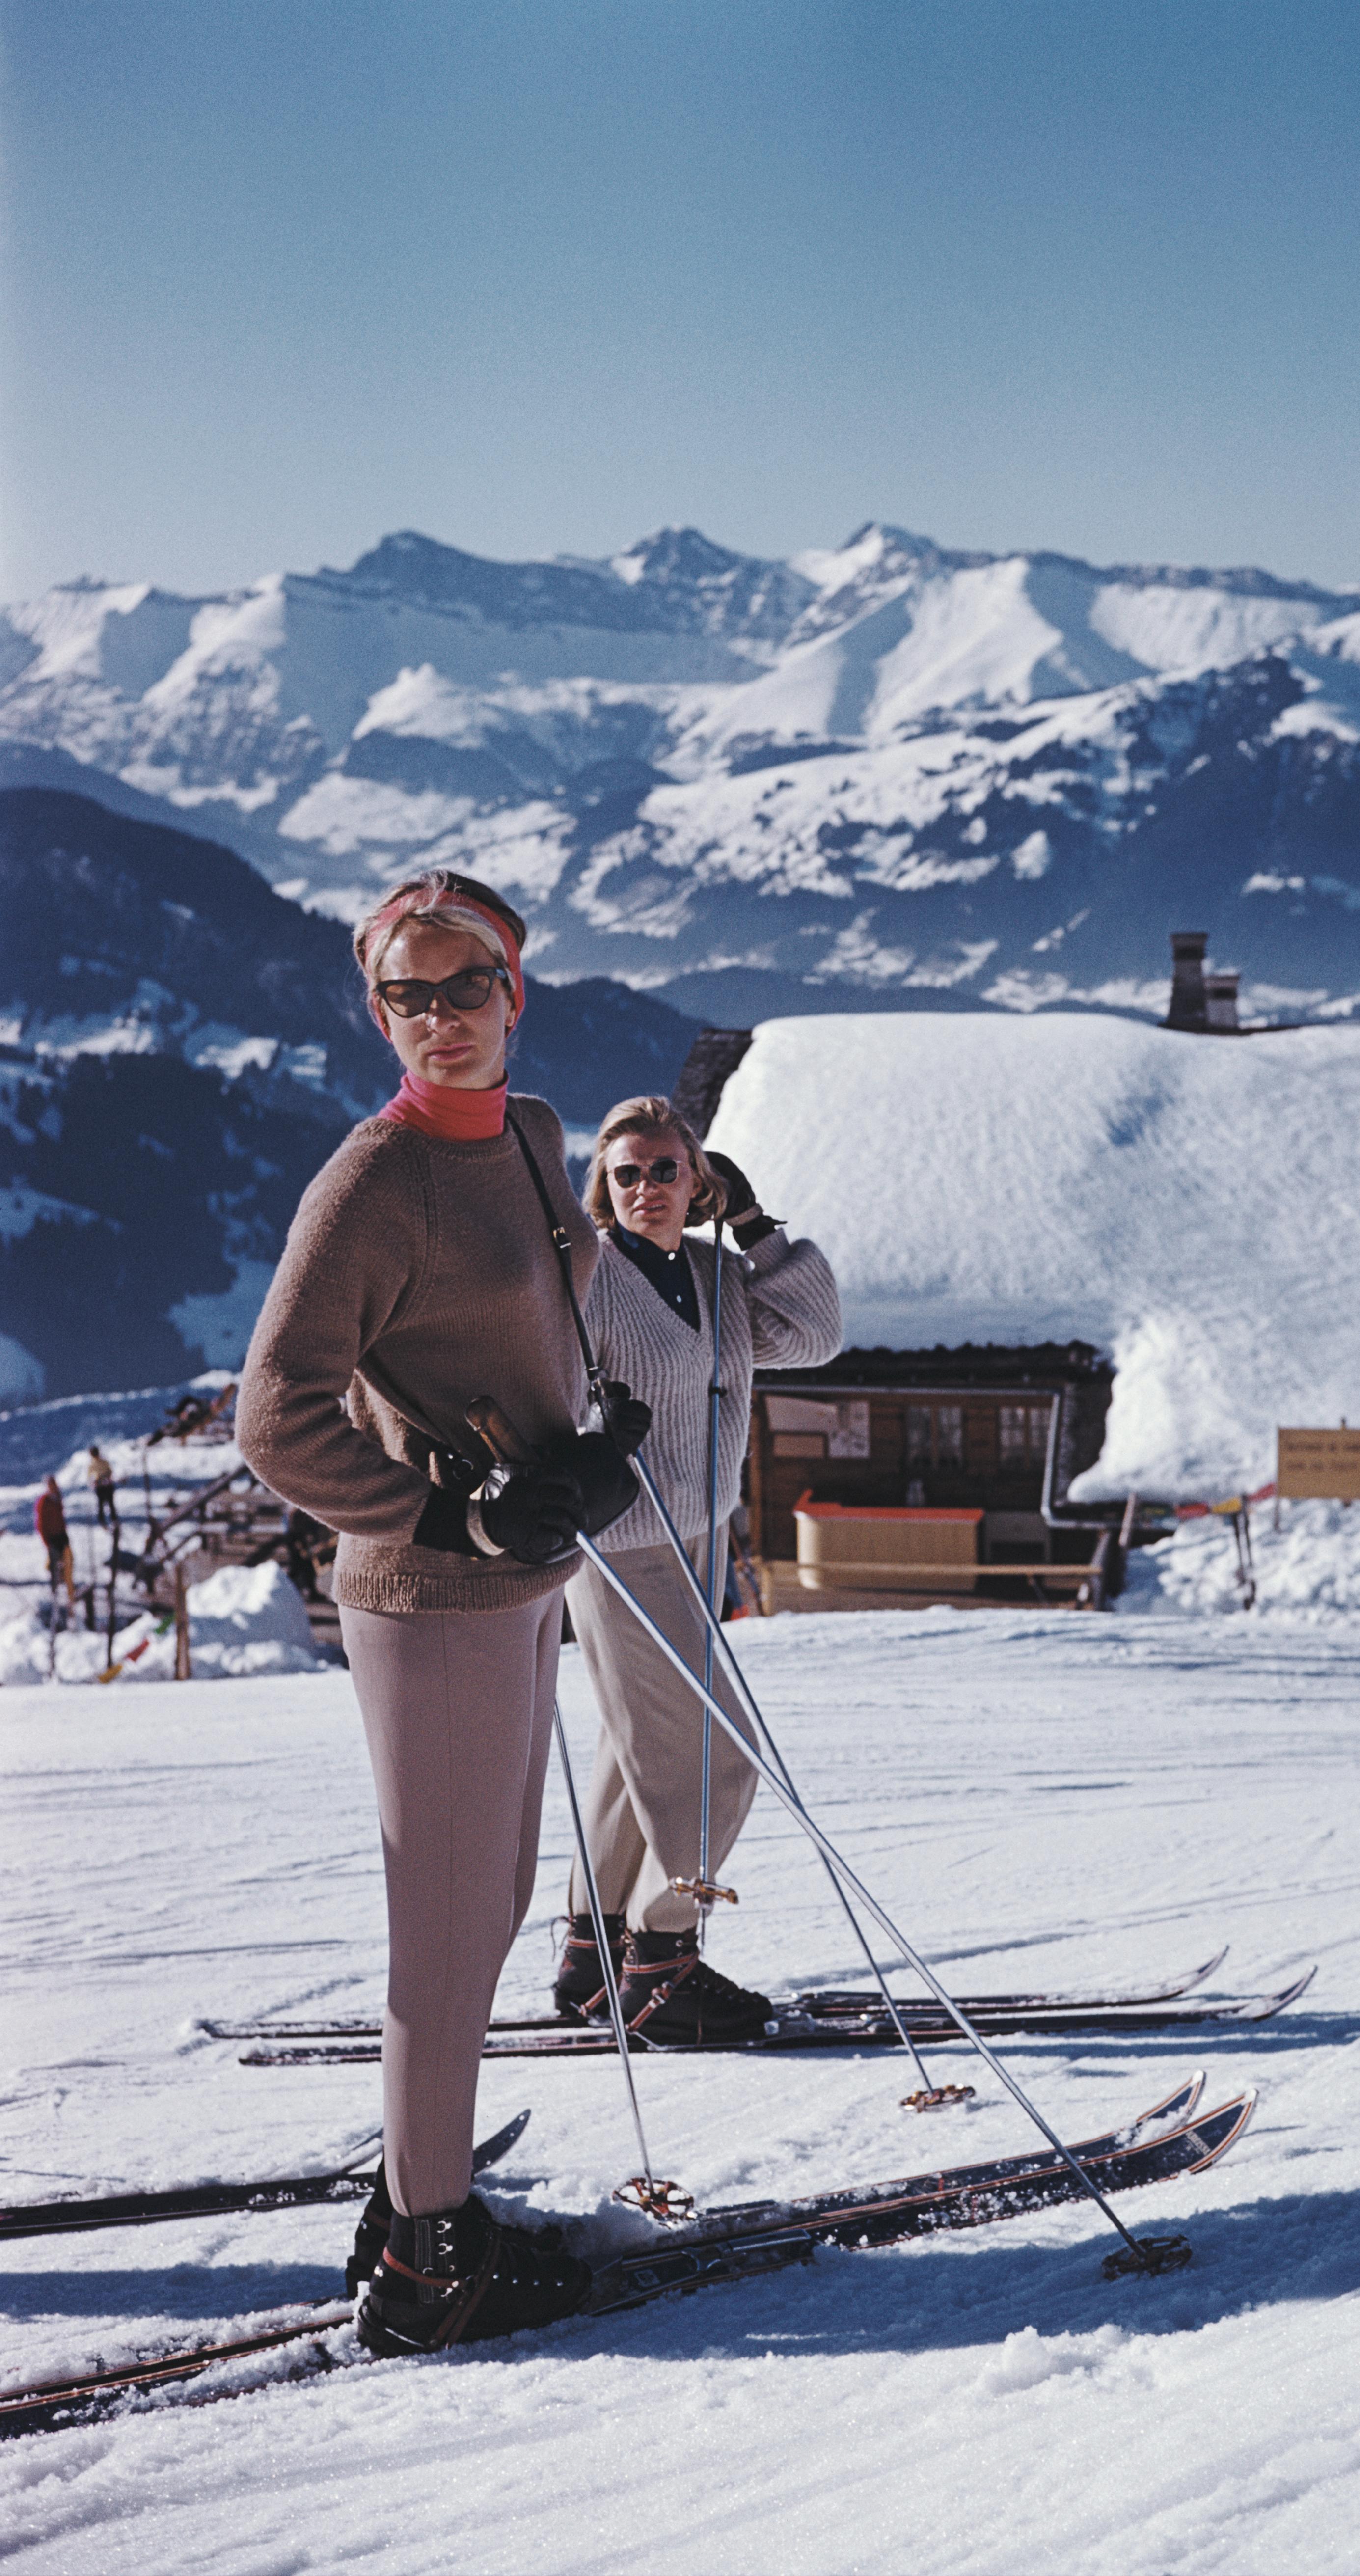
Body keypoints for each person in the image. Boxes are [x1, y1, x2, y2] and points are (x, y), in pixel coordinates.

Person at [237, 866, 648, 2359]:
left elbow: (541, 1319)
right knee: (446, 1911)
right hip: (429, 1590)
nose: (434, 1020)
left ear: (513, 991)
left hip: (521, 1575)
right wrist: (446, 1510)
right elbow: (273, 1416)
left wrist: (583, 1441)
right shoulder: (372, 1178)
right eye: (402, 994)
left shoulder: (537, 1140)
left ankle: (426, 2187)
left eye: (459, 988)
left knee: (491, 1897)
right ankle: (430, 2256)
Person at [552, 1096, 840, 2043]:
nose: (645, 1189)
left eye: (664, 1170)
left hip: (696, 1539)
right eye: (626, 1173)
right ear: (602, 1186)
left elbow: (812, 1336)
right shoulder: (586, 1278)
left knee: (638, 1753)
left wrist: (756, 1232)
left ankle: (596, 1955)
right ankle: (662, 1961)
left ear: (698, 1178)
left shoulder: (716, 1275)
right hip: (622, 1542)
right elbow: (532, 1379)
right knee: (718, 1759)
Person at [35, 1475, 72, 1596]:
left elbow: (61, 1518)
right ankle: (54, 1590)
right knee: (54, 1563)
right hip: (52, 1537)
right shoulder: (44, 1501)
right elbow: (41, 1523)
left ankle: (68, 1586)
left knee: (68, 1560)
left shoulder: (58, 1497)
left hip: (62, 1535)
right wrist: (46, 1540)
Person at [88, 1446, 117, 1530]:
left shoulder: (104, 1462)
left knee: (110, 1503)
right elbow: (90, 1476)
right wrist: (94, 1482)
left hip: (107, 1485)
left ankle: (114, 1519)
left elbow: (110, 1471)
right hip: (100, 1486)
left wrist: (107, 1477)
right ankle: (102, 1520)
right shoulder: (92, 1464)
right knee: (101, 1504)